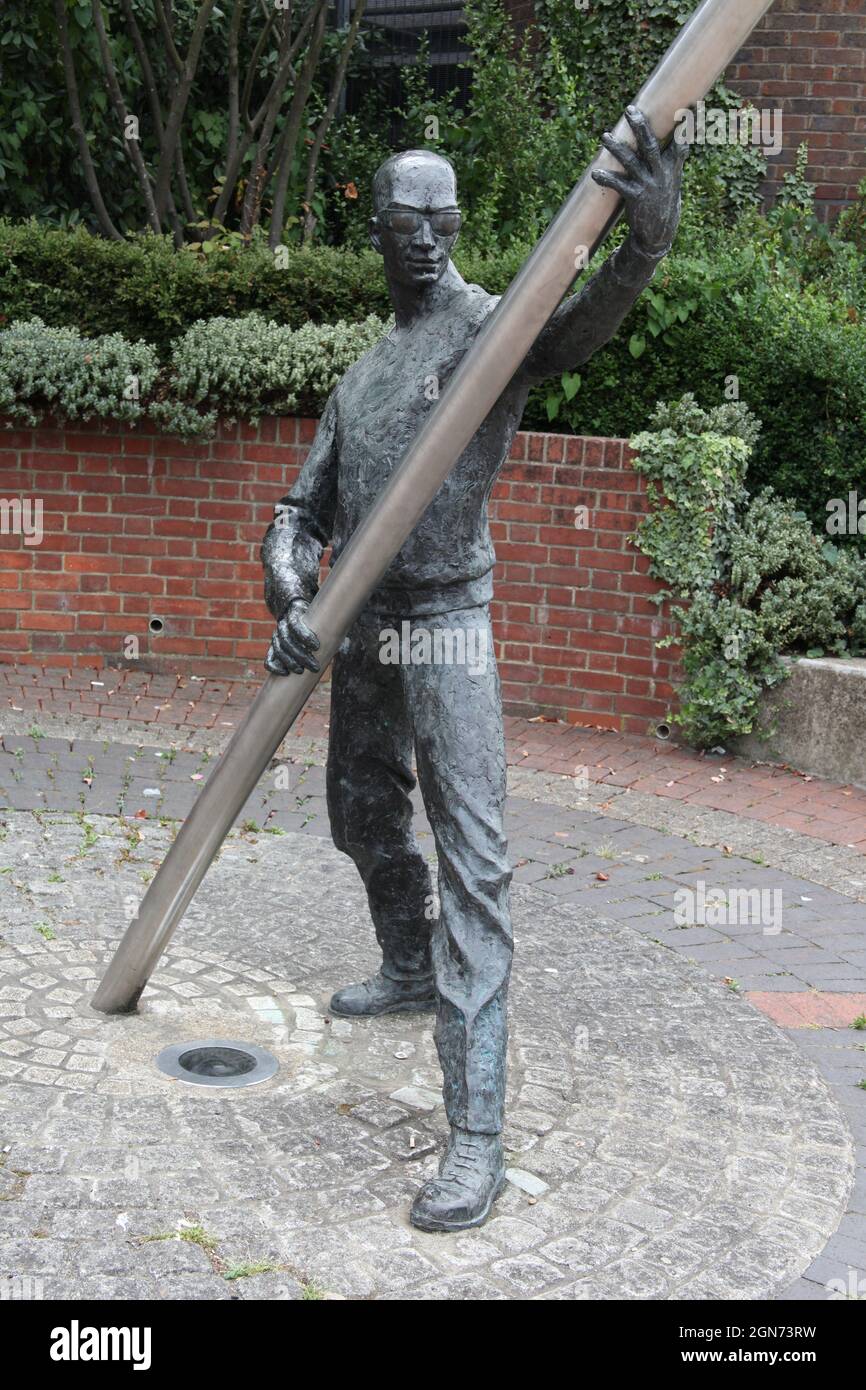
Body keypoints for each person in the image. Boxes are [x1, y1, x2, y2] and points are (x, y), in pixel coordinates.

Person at [261, 110, 686, 1231]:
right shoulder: (362, 377)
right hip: (362, 622)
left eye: (442, 217)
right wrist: (288, 583)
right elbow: (297, 511)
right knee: (360, 812)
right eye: (407, 220)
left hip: (446, 623)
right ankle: (405, 962)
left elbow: (572, 334)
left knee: (476, 863)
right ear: (376, 230)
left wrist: (641, 245)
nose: (428, 237)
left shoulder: (486, 331)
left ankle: (477, 1135)